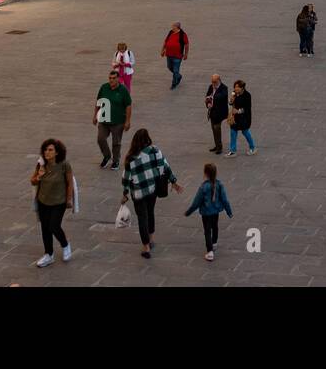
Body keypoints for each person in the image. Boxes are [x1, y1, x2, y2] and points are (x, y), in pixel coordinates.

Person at [121, 128, 183, 259]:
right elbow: (166, 166)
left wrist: (125, 193)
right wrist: (174, 181)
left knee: (142, 218)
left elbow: (126, 178)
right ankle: (151, 239)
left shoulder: (131, 157)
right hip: (152, 190)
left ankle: (146, 247)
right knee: (150, 213)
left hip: (138, 193)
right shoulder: (155, 150)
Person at [29, 138, 74, 267]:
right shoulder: (41, 164)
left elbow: (70, 182)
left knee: (54, 226)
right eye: (45, 150)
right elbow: (33, 181)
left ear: (57, 152)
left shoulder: (64, 164)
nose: (47, 152)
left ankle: (65, 245)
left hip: (59, 202)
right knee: (45, 228)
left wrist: (69, 199)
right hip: (43, 201)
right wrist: (39, 176)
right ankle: (48, 254)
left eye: (50, 150)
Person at [184, 162, 233, 262]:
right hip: (216, 211)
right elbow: (225, 200)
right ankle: (214, 243)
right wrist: (229, 212)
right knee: (215, 227)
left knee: (207, 230)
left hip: (206, 213)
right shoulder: (219, 184)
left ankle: (210, 251)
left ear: (205, 173)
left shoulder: (203, 187)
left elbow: (196, 202)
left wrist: (188, 212)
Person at [94, 69, 133, 169]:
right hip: (104, 119)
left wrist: (127, 121)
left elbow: (128, 105)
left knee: (116, 142)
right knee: (100, 139)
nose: (111, 80)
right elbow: (98, 101)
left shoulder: (123, 90)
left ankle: (116, 161)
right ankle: (107, 156)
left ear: (118, 79)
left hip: (118, 121)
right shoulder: (104, 87)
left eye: (114, 78)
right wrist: (95, 115)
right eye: (110, 78)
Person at [226, 80, 256, 156]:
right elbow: (230, 103)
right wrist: (231, 100)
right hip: (235, 118)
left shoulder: (247, 95)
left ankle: (253, 147)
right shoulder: (234, 94)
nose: (235, 89)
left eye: (237, 87)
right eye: (235, 87)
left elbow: (247, 108)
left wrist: (238, 111)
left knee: (245, 132)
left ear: (242, 88)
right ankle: (233, 151)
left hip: (244, 118)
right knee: (233, 132)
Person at [205, 74, 229, 154]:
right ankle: (217, 145)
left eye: (215, 82)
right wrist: (208, 102)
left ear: (219, 80)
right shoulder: (211, 86)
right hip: (212, 112)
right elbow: (207, 95)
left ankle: (219, 147)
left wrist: (212, 97)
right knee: (213, 129)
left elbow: (221, 97)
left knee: (217, 129)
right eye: (212, 81)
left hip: (219, 113)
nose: (213, 83)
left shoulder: (224, 88)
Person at [161, 22, 188, 90]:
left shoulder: (182, 35)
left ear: (177, 27)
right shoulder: (171, 32)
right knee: (169, 67)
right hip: (169, 55)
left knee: (175, 70)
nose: (172, 27)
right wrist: (163, 49)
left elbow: (186, 45)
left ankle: (174, 83)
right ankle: (178, 76)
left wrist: (186, 54)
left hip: (177, 56)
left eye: (173, 26)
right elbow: (166, 41)